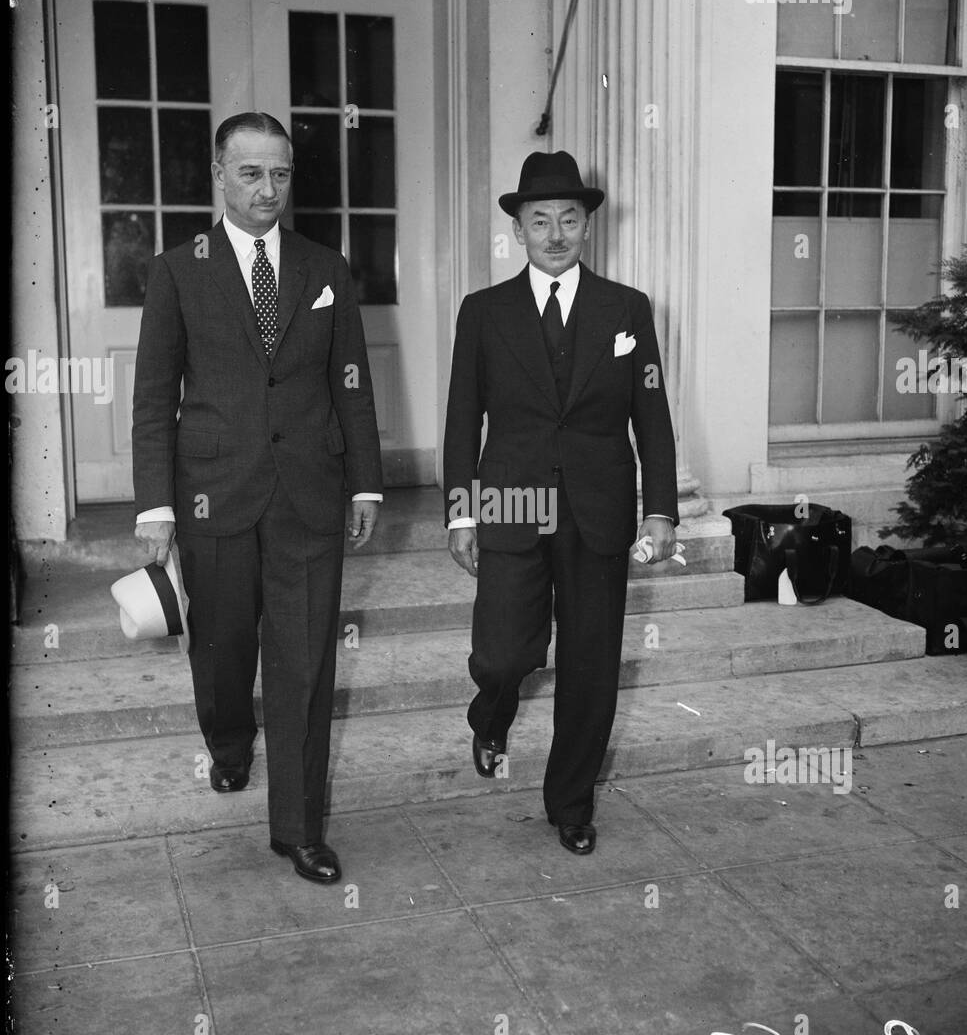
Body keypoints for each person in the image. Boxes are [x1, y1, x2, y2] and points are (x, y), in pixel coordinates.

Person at [132, 111, 383, 884]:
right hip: (212, 493)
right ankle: (230, 742)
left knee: (304, 664)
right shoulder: (179, 269)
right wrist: (155, 507)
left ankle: (298, 828)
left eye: (279, 173)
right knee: (222, 650)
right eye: (250, 172)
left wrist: (366, 480)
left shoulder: (325, 268)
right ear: (218, 175)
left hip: (308, 492)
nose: (267, 188)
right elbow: (151, 397)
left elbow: (351, 383)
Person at [443, 151, 679, 855]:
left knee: (589, 664)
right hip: (510, 500)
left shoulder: (626, 308)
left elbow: (652, 416)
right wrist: (461, 511)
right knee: (504, 652)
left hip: (598, 505)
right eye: (538, 220)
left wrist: (659, 508)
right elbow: (462, 418)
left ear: (586, 227)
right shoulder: (483, 313)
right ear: (517, 229)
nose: (553, 233)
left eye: (567, 219)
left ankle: (570, 801)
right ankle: (491, 711)